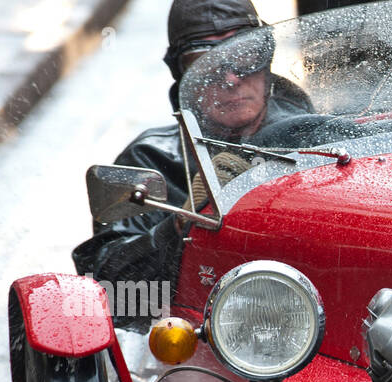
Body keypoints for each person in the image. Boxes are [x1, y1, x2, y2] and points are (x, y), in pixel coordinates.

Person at [72, 0, 309, 327]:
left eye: (244, 54)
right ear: (183, 75)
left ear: (266, 57)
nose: (229, 77)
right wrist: (180, 227)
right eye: (206, 62)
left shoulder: (329, 139)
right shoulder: (150, 159)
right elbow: (113, 296)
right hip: (208, 349)